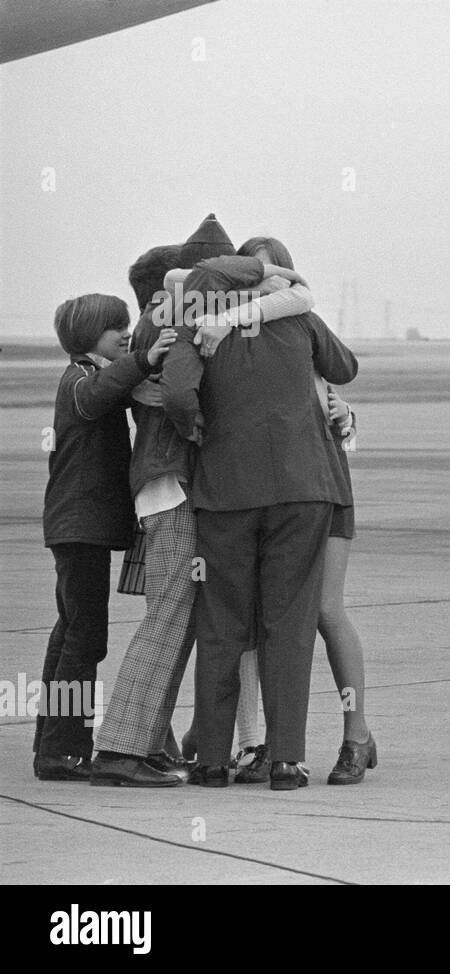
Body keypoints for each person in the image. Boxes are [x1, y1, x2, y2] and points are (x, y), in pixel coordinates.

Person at [92, 217, 312, 786]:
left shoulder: (168, 315)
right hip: (173, 483)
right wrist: (278, 276)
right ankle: (120, 747)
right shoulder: (185, 315)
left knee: (185, 616)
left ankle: (147, 743)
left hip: (164, 484)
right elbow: (176, 393)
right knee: (171, 615)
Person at [161, 245, 358, 789]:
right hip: (303, 490)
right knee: (290, 624)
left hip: (226, 494)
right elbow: (346, 367)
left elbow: (177, 392)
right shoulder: (298, 318)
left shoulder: (193, 324)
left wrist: (194, 425)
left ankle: (212, 761)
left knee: (222, 623)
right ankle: (287, 761)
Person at [217, 235, 376, 786]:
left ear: (287, 280)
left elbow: (344, 367)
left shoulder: (301, 323)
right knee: (264, 623)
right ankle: (258, 744)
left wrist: (345, 413)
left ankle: (356, 734)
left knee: (326, 611)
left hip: (323, 487)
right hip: (272, 492)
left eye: (272, 274)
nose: (262, 283)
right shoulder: (227, 328)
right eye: (252, 274)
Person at [35, 294, 175, 781]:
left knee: (69, 635)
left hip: (76, 528)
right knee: (86, 641)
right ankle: (65, 748)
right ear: (86, 336)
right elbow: (95, 397)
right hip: (79, 529)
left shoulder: (94, 377)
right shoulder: (77, 379)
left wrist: (137, 382)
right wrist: (144, 361)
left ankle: (52, 745)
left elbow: (111, 390)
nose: (125, 332)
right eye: (114, 327)